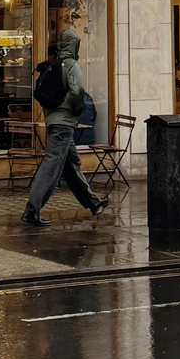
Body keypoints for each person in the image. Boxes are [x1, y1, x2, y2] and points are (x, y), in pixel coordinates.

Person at [22, 28, 109, 227]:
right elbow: (77, 90)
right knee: (52, 166)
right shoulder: (70, 64)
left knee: (71, 165)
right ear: (74, 45)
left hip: (54, 121)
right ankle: (32, 210)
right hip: (64, 124)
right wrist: (74, 109)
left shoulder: (52, 65)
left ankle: (93, 203)